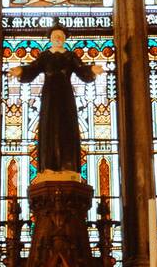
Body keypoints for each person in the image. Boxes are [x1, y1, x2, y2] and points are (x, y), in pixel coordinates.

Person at [10, 26, 101, 174]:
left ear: (65, 38)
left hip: (66, 97)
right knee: (49, 128)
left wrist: (91, 70)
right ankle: (49, 167)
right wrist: (21, 71)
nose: (58, 38)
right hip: (49, 98)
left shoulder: (70, 56)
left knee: (67, 128)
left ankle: (68, 166)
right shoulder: (45, 56)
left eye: (60, 36)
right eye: (55, 36)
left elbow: (81, 70)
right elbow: (32, 69)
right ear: (50, 39)